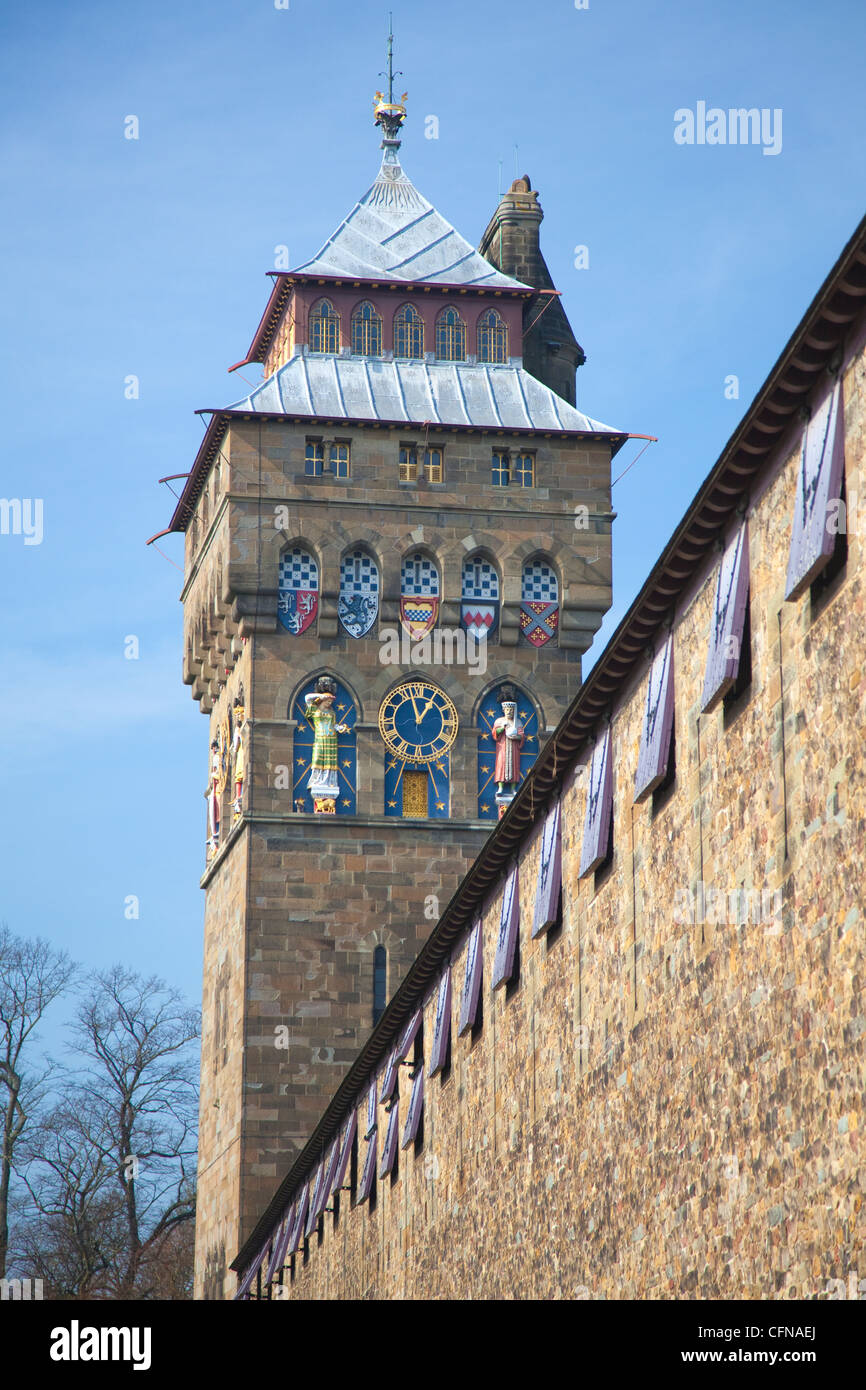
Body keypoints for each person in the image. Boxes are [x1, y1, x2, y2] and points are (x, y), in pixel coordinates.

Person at [304, 679, 349, 813]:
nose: (329, 703)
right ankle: (318, 780)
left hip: (331, 739)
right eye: (328, 701)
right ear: (323, 700)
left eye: (330, 702)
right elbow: (307, 698)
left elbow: (333, 725)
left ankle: (329, 781)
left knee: (330, 762)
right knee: (318, 759)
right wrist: (320, 696)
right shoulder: (314, 710)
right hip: (320, 738)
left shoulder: (332, 713)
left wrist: (339, 728)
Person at [492, 697, 524, 817]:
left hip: (513, 747)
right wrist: (502, 728)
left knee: (514, 767)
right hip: (502, 747)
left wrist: (518, 737)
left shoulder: (518, 722)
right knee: (501, 767)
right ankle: (500, 788)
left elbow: (521, 734)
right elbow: (495, 733)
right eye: (507, 710)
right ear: (504, 711)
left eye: (511, 710)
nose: (509, 712)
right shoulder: (499, 721)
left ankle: (513, 788)